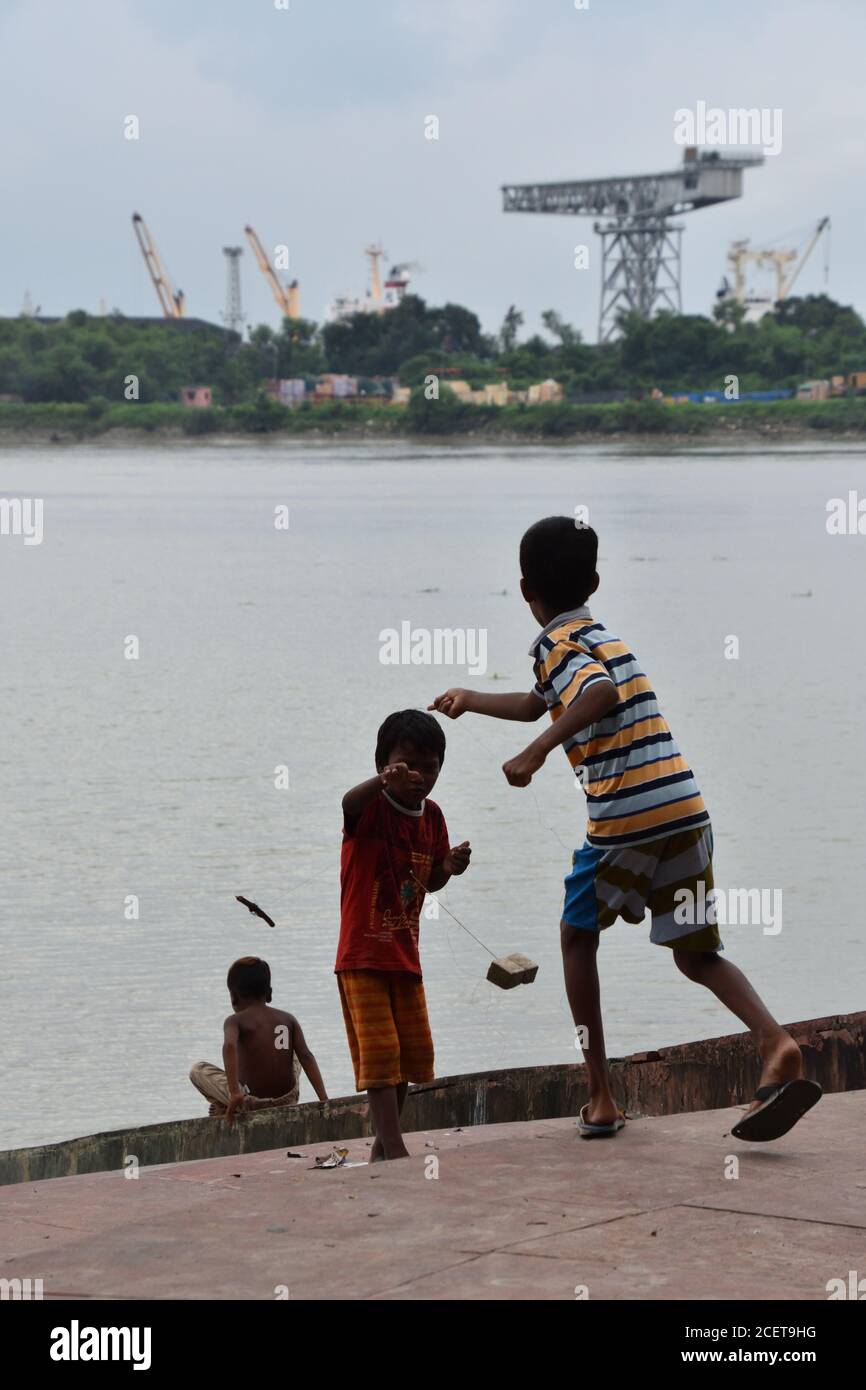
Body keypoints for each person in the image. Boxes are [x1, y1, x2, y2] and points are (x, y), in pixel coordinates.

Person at [430, 516, 821, 1143]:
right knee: (696, 953)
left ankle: (602, 1096)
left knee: (575, 936)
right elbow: (543, 699)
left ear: (525, 588)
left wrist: (533, 755)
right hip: (685, 809)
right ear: (594, 582)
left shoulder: (559, 649)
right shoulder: (600, 636)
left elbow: (597, 696)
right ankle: (777, 1044)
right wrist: (470, 698)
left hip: (626, 815)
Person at [336, 709, 471, 1160]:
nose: (419, 776)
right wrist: (380, 782)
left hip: (405, 954)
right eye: (407, 765)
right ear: (384, 764)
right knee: (380, 1056)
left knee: (408, 1056)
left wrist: (448, 867)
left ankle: (382, 1150)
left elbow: (430, 879)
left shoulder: (432, 817)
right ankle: (394, 1149)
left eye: (429, 767)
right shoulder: (371, 808)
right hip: (362, 953)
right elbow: (347, 804)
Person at [190, 956, 328, 1123]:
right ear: (269, 993)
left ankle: (227, 1103)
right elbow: (307, 1057)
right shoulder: (288, 1019)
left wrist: (234, 1092)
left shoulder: (235, 1020)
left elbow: (229, 1047)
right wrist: (324, 1100)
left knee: (198, 1070)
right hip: (288, 1099)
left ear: (234, 996)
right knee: (297, 1053)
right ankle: (228, 1102)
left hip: (250, 1102)